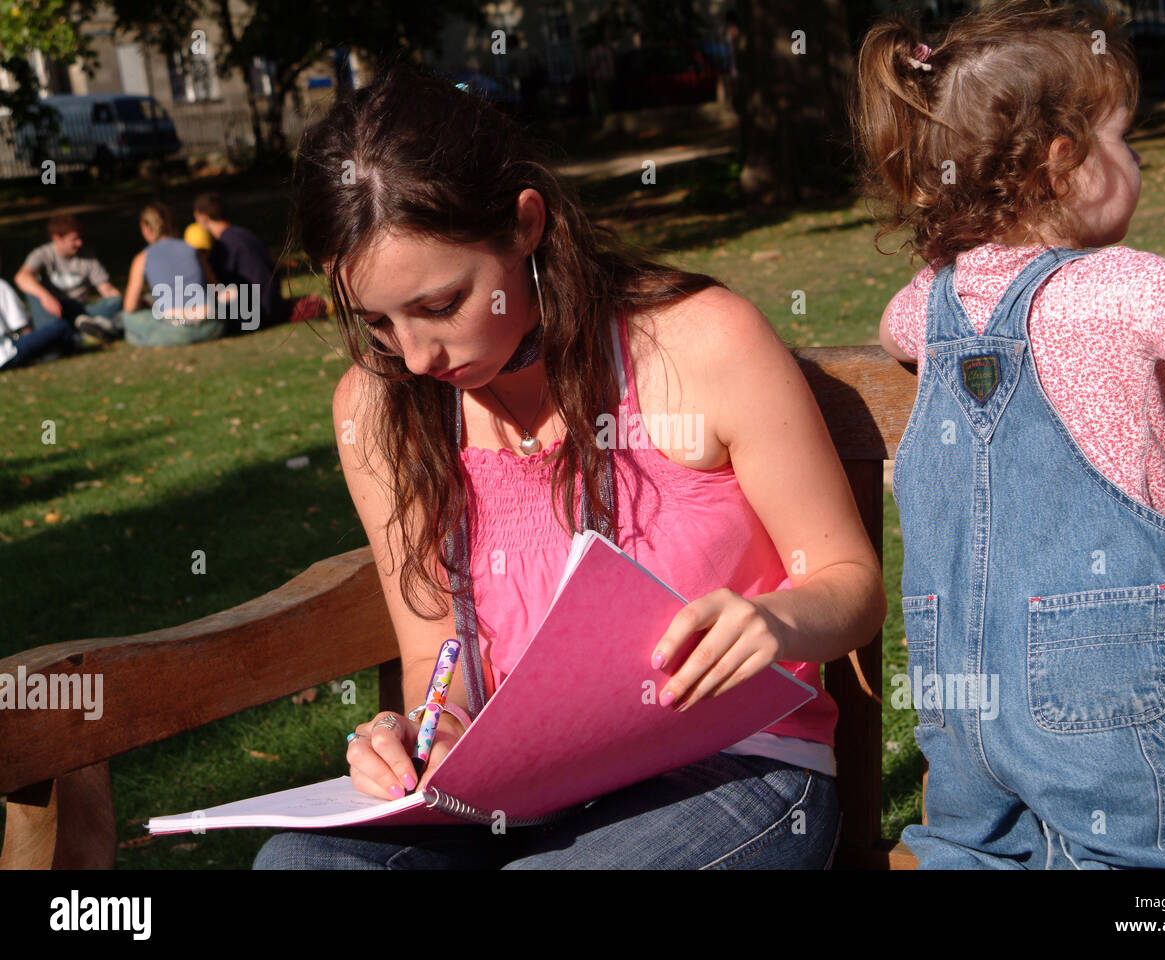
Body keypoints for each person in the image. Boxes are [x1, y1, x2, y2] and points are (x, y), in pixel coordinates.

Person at [251, 63, 886, 869]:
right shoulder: (377, 407)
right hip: (514, 791)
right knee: (299, 864)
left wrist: (778, 622)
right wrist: (420, 730)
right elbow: (436, 655)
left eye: (441, 305)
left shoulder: (699, 342)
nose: (414, 356)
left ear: (525, 224)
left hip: (729, 768)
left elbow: (849, 582)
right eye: (376, 322)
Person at [852, 0, 1165, 868]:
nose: (1138, 162)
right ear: (1063, 164)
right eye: (1124, 140)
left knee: (972, 855)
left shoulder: (935, 301)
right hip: (1103, 699)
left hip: (963, 706)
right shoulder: (1113, 288)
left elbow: (888, 328)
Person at [119, 203, 224, 348]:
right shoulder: (193, 249)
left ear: (146, 228)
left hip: (177, 330)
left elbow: (130, 306)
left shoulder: (142, 258)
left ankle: (142, 339)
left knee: (128, 318)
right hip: (212, 326)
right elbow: (216, 290)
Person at [14, 213, 122, 343]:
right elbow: (21, 277)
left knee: (116, 302)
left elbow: (107, 289)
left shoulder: (87, 256)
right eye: (74, 239)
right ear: (56, 238)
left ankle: (83, 329)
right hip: (56, 312)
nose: (79, 243)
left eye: (79, 238)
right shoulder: (43, 254)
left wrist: (122, 302)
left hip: (82, 310)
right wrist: (45, 296)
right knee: (33, 292)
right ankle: (91, 329)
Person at [192, 192, 280, 333]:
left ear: (202, 216)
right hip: (273, 304)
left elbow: (215, 285)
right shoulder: (244, 234)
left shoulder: (225, 244)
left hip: (257, 312)